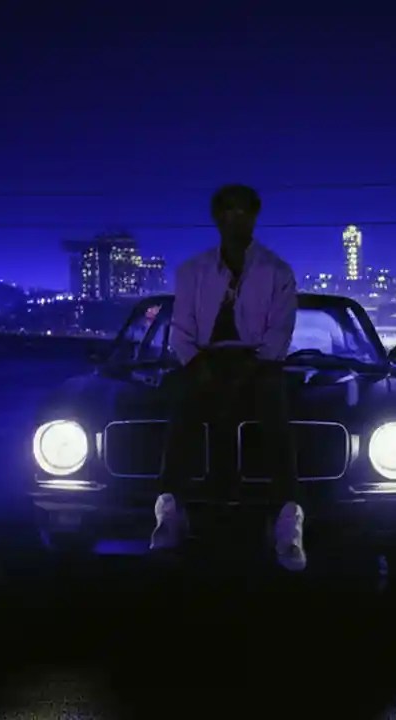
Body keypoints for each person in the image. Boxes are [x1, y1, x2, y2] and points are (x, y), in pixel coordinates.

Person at [150, 183, 305, 571]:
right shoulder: (192, 272)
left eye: (244, 211)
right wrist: (199, 367)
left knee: (274, 404)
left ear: (255, 217)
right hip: (204, 359)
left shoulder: (278, 272)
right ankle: (170, 509)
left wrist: (248, 371)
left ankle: (287, 516)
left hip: (258, 361)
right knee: (180, 402)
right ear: (216, 218)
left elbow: (278, 334)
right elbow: (181, 331)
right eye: (228, 211)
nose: (236, 218)